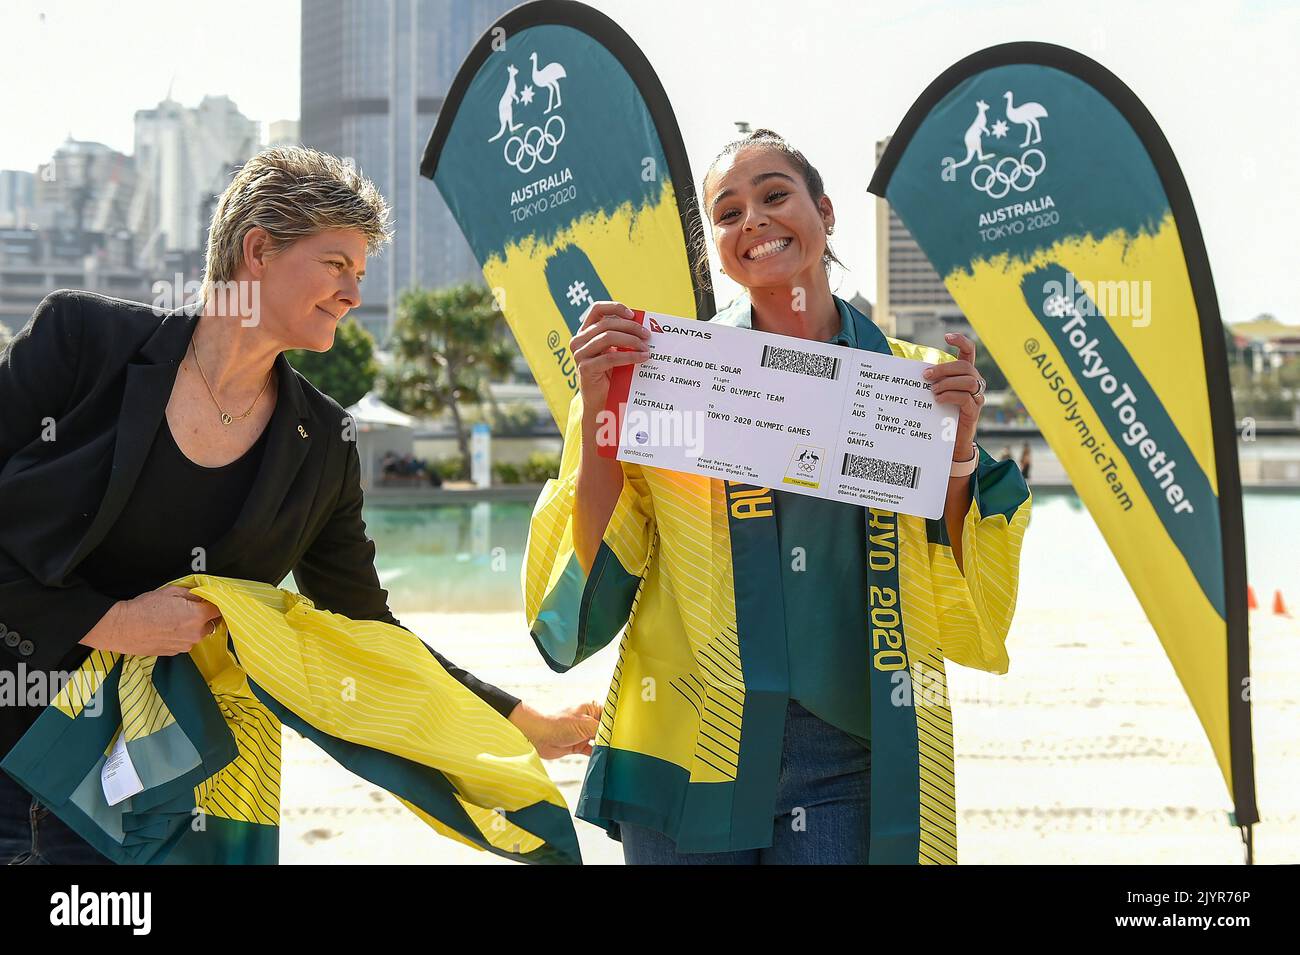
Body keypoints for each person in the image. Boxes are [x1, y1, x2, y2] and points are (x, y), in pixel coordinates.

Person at [0, 146, 598, 865]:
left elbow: (365, 626)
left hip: (138, 794)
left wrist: (522, 719)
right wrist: (110, 621)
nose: (353, 293)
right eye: (336, 264)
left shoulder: (322, 445)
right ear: (257, 250)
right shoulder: (81, 343)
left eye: (360, 274)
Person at [523, 129, 1032, 864]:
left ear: (824, 211)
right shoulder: (666, 374)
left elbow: (955, 581)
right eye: (727, 213)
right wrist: (602, 406)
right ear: (716, 250)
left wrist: (956, 457)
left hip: (847, 747)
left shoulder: (910, 382)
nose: (753, 220)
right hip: (688, 734)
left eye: (774, 195)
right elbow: (601, 557)